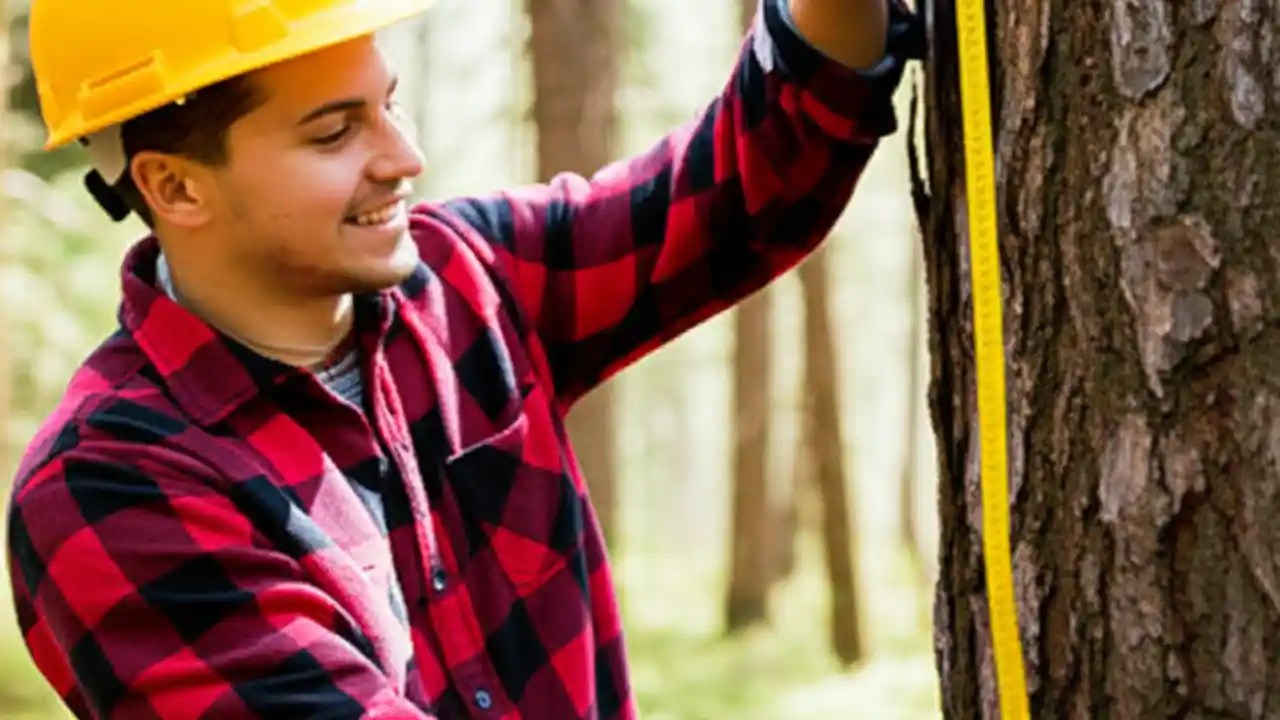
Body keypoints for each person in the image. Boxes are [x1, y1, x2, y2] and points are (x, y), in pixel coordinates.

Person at [6, 0, 922, 717]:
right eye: (335, 132)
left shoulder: (471, 280)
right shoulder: (107, 490)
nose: (405, 156)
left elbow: (747, 182)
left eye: (389, 105)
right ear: (173, 185)